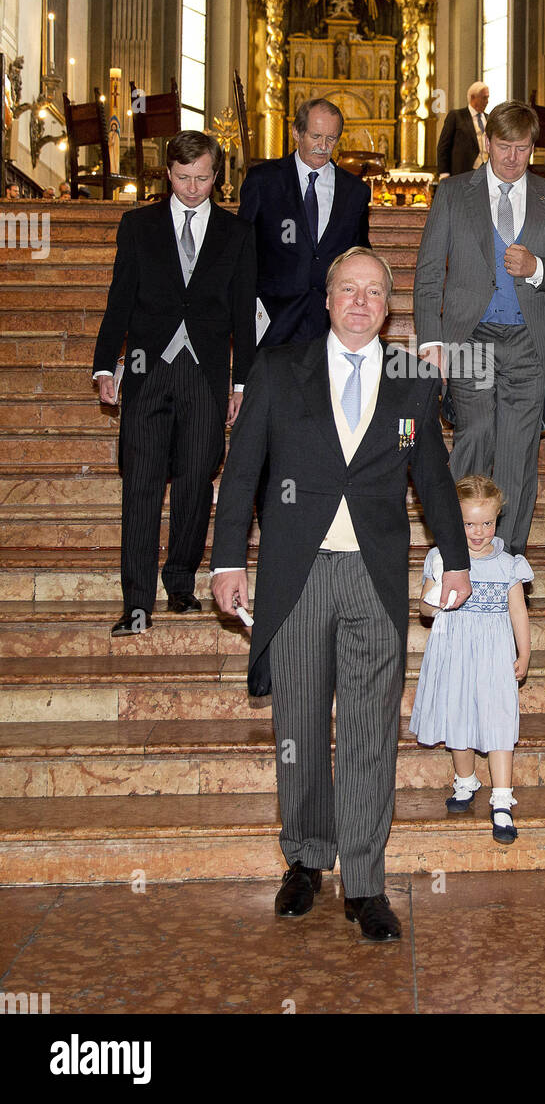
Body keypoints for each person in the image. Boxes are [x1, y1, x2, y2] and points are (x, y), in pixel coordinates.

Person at [210, 247, 471, 943]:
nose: (360, 302)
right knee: (297, 726)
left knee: (366, 734)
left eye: (374, 293)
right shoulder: (277, 369)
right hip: (298, 574)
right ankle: (304, 861)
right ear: (327, 300)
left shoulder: (413, 384)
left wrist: (456, 557)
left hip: (374, 577)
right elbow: (241, 474)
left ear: (389, 309)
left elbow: (435, 480)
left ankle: (364, 880)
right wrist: (227, 560)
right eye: (348, 290)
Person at [92, 131, 256, 638]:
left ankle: (180, 584)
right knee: (139, 488)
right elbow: (120, 297)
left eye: (203, 178)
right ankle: (136, 603)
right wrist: (104, 366)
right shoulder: (138, 225)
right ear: (168, 174)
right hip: (146, 370)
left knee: (194, 482)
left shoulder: (237, 233)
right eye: (183, 178)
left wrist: (242, 383)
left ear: (216, 175)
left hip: (204, 372)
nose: (192, 188)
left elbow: (244, 316)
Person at [414, 99, 545, 555]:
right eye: (504, 146)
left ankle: (505, 561)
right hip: (472, 336)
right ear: (487, 142)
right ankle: (455, 551)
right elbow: (430, 273)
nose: (512, 157)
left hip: (529, 343)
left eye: (523, 148)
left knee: (519, 450)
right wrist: (432, 340)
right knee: (475, 434)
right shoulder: (452, 194)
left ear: (533, 148)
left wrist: (537, 269)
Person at [409, 474, 532, 845]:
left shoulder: (508, 563)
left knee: (498, 721)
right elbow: (424, 611)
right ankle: (466, 781)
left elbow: (518, 614)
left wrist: (524, 653)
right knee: (457, 714)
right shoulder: (442, 558)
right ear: (452, 520)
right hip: (454, 651)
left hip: (495, 655)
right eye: (467, 523)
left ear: (497, 520)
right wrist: (435, 596)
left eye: (486, 522)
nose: (478, 532)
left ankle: (502, 797)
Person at [238, 97, 370, 347]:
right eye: (316, 136)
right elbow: (243, 250)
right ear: (296, 132)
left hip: (332, 324)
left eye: (331, 139)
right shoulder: (263, 181)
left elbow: (360, 253)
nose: (323, 146)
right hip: (273, 321)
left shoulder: (356, 191)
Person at [435, 81, 490, 178]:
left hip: (485, 174)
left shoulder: (489, 118)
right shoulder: (456, 116)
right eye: (484, 98)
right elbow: (443, 147)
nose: (487, 101)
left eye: (488, 98)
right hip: (462, 173)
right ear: (473, 97)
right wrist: (444, 173)